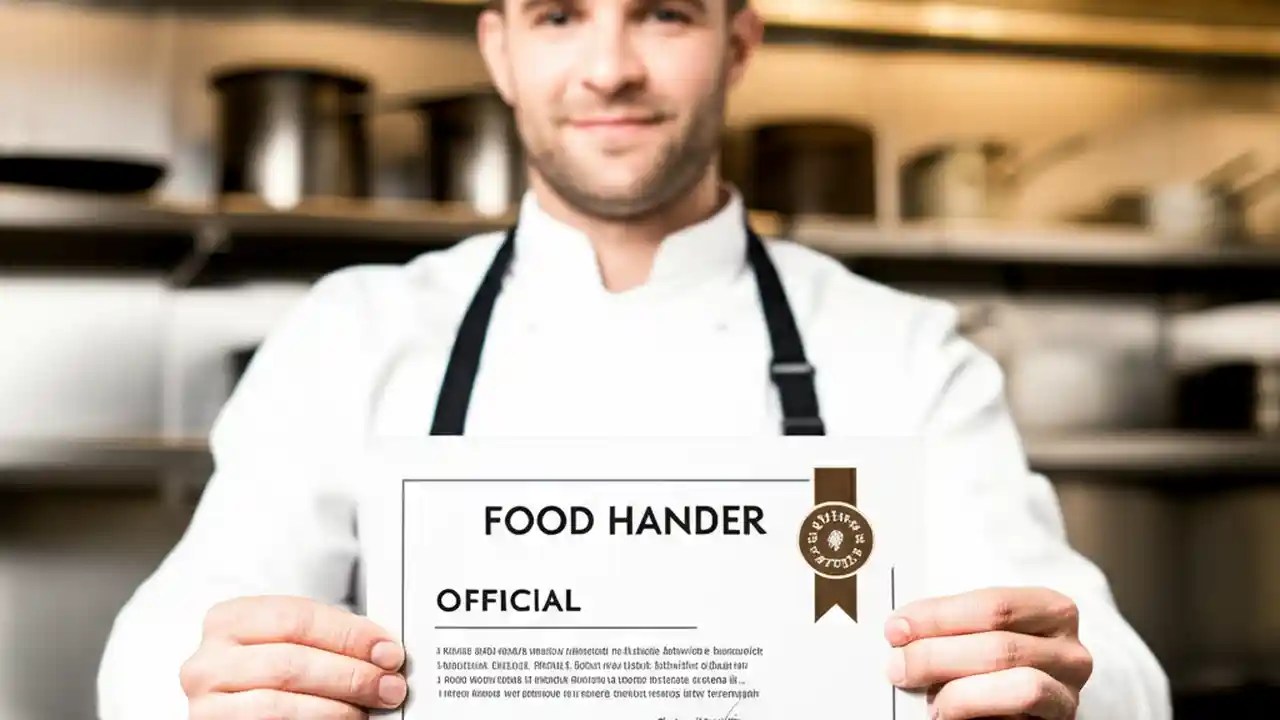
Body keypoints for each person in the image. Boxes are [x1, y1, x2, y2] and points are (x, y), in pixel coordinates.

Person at [97, 1, 1171, 718]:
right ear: (498, 50)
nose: (608, 68)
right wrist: (206, 681)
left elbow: (1114, 668)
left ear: (739, 43)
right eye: (559, 15)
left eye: (661, 11)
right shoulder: (352, 333)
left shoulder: (903, 349)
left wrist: (1052, 678)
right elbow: (157, 646)